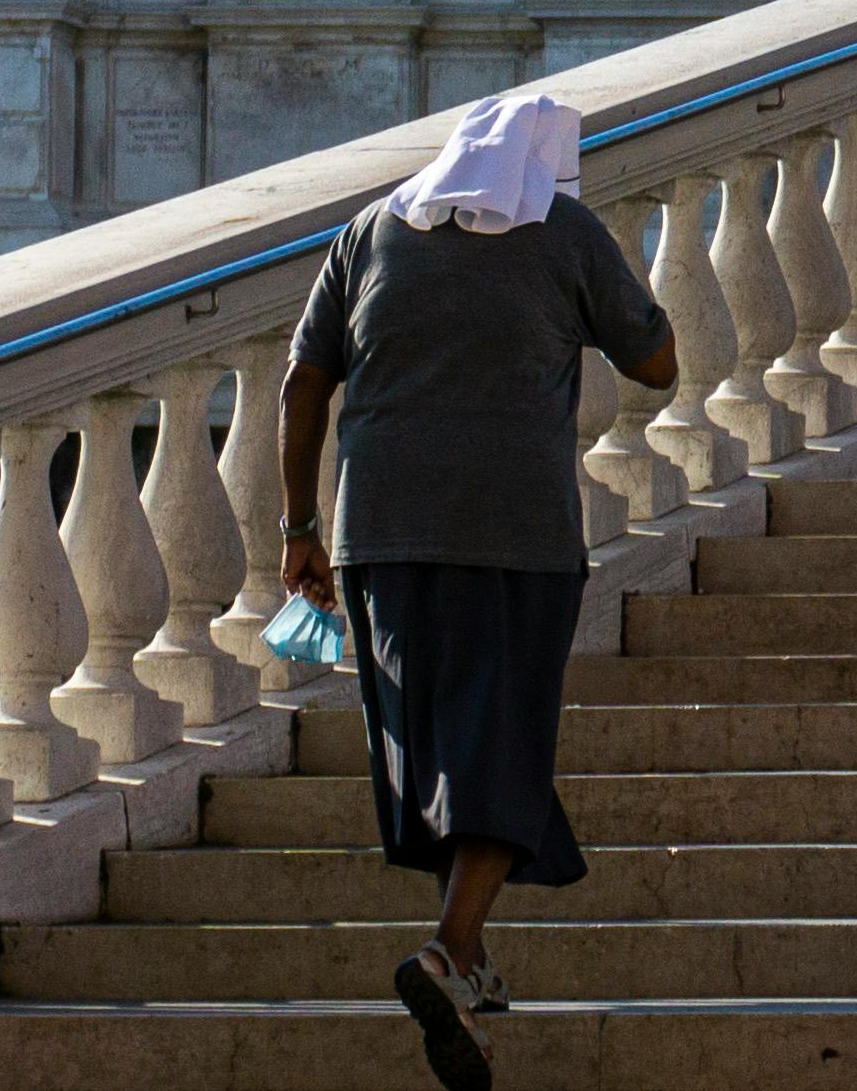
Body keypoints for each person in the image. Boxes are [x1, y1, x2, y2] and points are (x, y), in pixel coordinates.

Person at [279, 94, 677, 1090]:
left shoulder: (369, 230)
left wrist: (295, 526)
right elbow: (657, 365)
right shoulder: (563, 231)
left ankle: (472, 958)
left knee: (441, 750)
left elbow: (300, 381)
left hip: (379, 536)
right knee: (500, 745)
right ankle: (447, 954)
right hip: (513, 536)